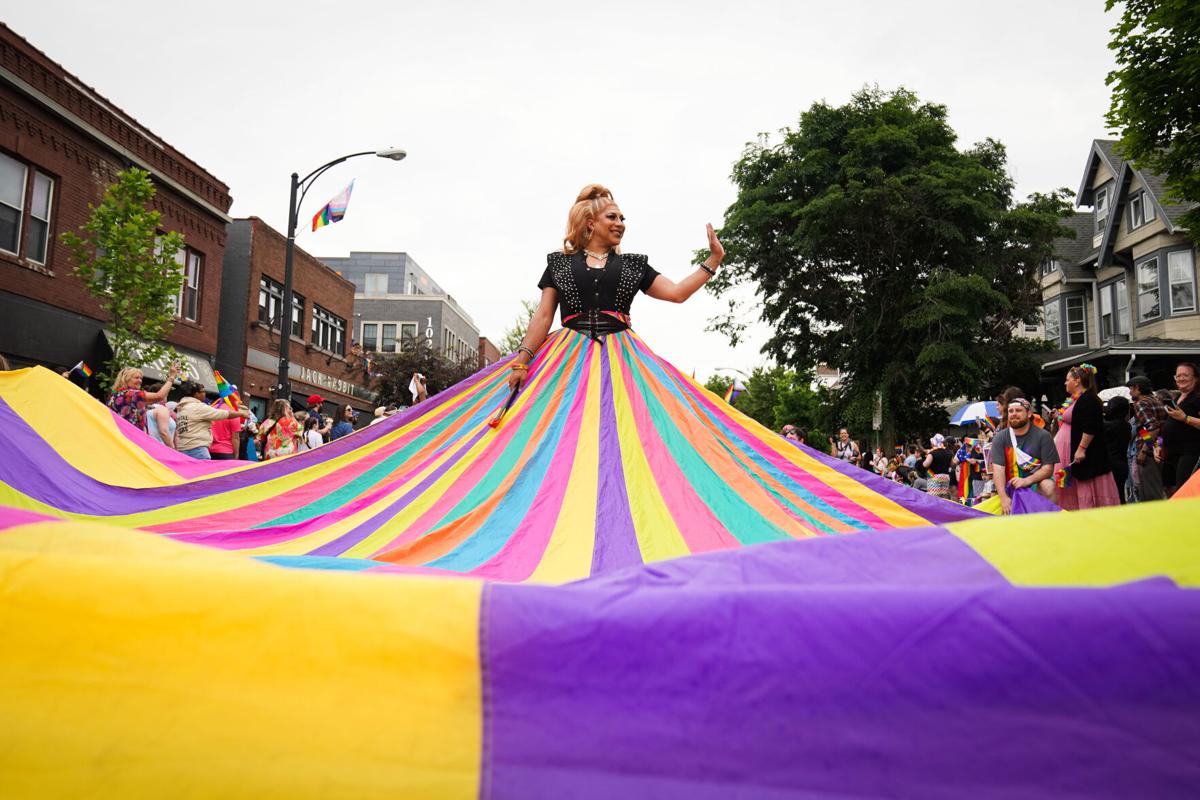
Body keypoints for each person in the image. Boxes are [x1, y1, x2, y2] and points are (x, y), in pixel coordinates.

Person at [507, 184, 724, 393]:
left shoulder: (633, 265)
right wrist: (522, 362)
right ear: (590, 223)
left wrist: (714, 259)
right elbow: (544, 315)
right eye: (612, 217)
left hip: (621, 360)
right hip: (568, 359)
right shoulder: (560, 263)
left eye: (622, 218)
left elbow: (677, 293)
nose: (620, 223)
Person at [1052, 364, 1119, 510]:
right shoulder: (1077, 400)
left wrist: (1081, 448)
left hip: (1087, 456)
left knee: (1087, 486)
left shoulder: (1088, 399)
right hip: (1071, 450)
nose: (1065, 383)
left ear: (1077, 381)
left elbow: (1091, 426)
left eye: (1067, 379)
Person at [991, 397, 1059, 514]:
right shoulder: (1000, 438)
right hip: (1009, 486)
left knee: (1048, 485)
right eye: (1011, 411)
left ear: (1029, 413)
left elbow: (1048, 469)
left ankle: (1048, 523)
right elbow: (998, 470)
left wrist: (1026, 481)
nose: (1014, 414)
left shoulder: (1043, 436)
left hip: (1033, 485)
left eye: (1018, 410)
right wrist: (1003, 498)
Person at [174, 381, 250, 460]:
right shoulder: (199, 407)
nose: (205, 394)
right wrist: (240, 414)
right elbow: (235, 437)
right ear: (196, 394)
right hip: (200, 450)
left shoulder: (182, 408)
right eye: (203, 391)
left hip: (184, 449)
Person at [1161, 362, 1200, 496]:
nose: (1181, 378)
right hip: (1172, 454)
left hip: (1191, 453)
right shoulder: (1177, 398)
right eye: (1178, 376)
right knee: (1172, 492)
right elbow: (1166, 426)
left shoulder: (1197, 397)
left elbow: (1183, 419)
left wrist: (1185, 418)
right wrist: (1158, 445)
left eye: (1185, 375)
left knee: (1185, 492)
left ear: (1195, 378)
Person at [1126, 375, 1167, 501]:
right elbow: (1149, 427)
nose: (1130, 392)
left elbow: (1153, 427)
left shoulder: (1141, 403)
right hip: (1160, 448)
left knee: (1150, 494)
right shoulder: (1156, 400)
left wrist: (1144, 451)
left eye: (1131, 389)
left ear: (1138, 388)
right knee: (1157, 489)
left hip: (1150, 452)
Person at [108, 364, 179, 433]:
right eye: (136, 378)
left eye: (141, 378)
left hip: (116, 434)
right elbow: (159, 396)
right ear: (126, 379)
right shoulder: (133, 394)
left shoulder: (115, 395)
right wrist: (172, 377)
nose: (140, 381)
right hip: (130, 437)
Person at [1102, 395, 1132, 504]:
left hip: (1109, 465)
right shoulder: (1127, 426)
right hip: (1122, 464)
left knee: (1110, 496)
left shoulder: (1107, 426)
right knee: (1120, 494)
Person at [922, 434, 956, 500]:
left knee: (933, 498)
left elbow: (925, 464)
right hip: (945, 477)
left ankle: (934, 510)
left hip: (934, 477)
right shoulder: (948, 452)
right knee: (943, 498)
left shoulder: (933, 453)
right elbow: (953, 465)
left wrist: (924, 461)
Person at [143, 384, 176, 449]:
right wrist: (172, 448)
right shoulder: (161, 409)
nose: (167, 395)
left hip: (148, 448)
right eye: (166, 393)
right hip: (162, 449)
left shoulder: (145, 409)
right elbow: (163, 432)